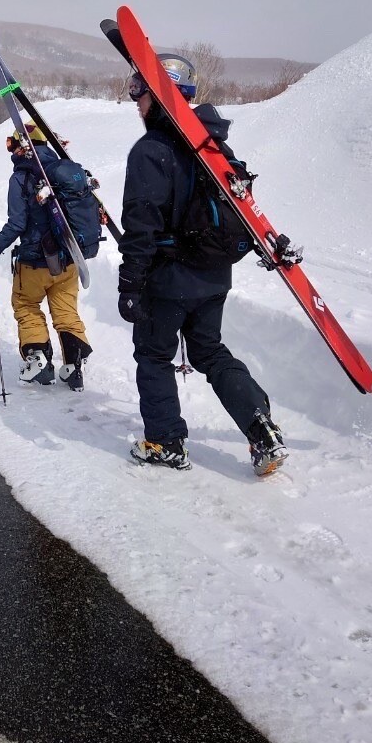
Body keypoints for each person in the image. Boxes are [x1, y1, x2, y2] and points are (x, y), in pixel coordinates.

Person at [118, 54, 288, 475]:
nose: (135, 101)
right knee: (209, 351)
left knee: (154, 355)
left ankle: (165, 442)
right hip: (214, 275)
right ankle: (260, 427)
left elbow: (142, 221)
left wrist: (130, 282)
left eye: (139, 91)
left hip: (169, 276)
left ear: (159, 95)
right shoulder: (214, 144)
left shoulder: (152, 150)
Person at [0, 124, 92, 389]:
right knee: (65, 311)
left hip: (34, 261)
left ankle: (38, 359)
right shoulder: (64, 170)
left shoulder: (21, 178)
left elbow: (17, 224)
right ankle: (74, 366)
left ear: (21, 146)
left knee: (26, 306)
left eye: (12, 144)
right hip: (68, 259)